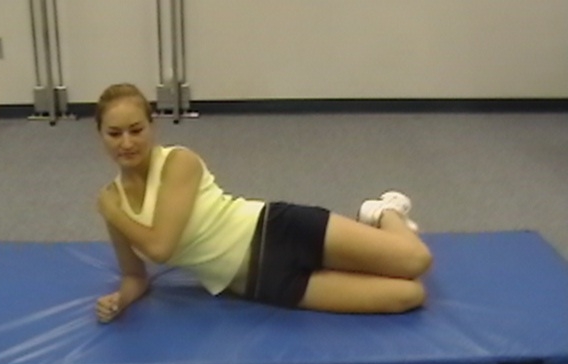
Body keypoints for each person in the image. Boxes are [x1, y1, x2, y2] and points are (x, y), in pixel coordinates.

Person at [94, 83, 433, 323]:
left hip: (277, 230)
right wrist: (120, 300)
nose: (127, 142)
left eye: (136, 130)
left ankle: (383, 211)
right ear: (100, 135)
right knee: (409, 296)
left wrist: (110, 210)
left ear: (152, 126)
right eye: (114, 133)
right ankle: (377, 226)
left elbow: (160, 248)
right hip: (261, 284)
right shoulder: (116, 202)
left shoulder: (177, 163)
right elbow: (135, 276)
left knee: (416, 260)